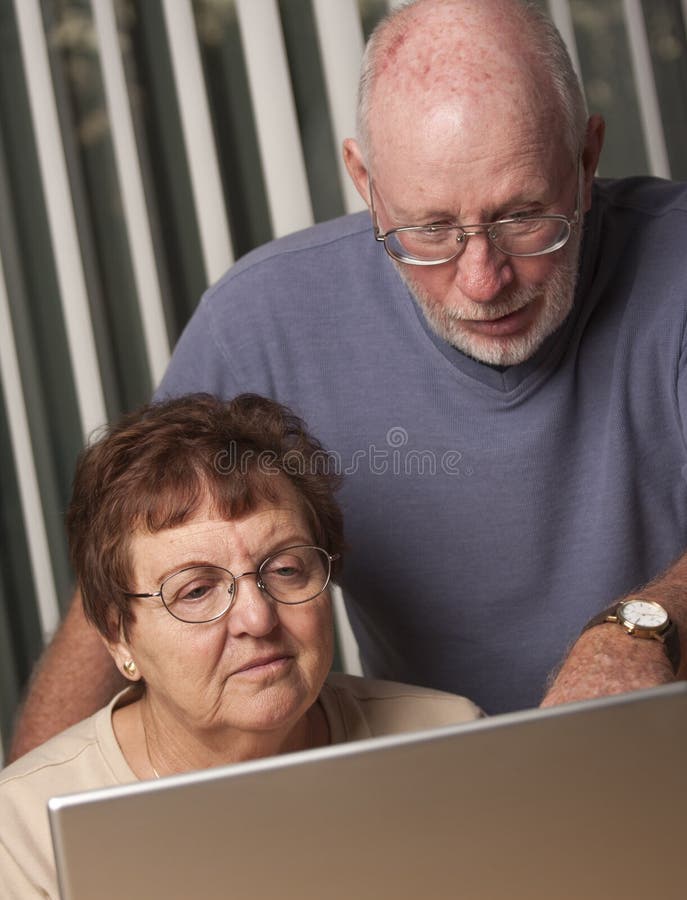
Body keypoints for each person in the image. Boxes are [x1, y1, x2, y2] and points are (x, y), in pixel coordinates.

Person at [9, 0, 687, 759]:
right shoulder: (263, 321)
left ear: (586, 161)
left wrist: (641, 630)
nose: (481, 281)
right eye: (429, 229)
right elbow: (133, 580)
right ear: (365, 181)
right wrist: (27, 808)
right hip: (442, 785)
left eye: (523, 217)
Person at [0, 393, 481, 898]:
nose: (258, 618)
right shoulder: (24, 835)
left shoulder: (453, 743)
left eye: (286, 568)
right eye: (196, 591)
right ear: (118, 634)